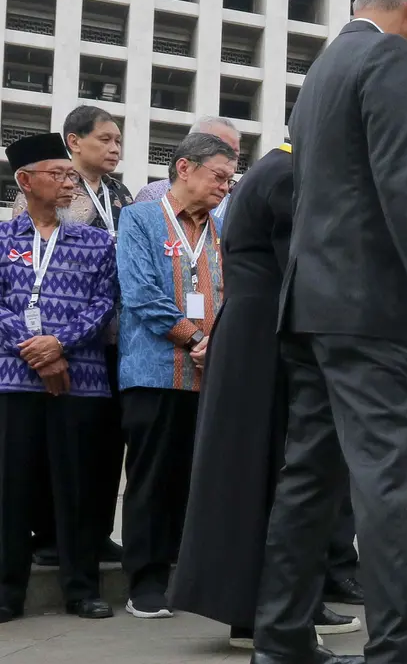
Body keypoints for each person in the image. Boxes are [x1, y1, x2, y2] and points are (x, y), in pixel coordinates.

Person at [253, 0, 407, 664]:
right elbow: (404, 190)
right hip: (369, 308)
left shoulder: (323, 69)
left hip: (310, 304)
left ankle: (280, 645)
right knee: (383, 478)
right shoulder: (390, 60)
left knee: (308, 479)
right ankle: (400, 650)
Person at [168, 141, 361, 649]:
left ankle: (281, 605)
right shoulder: (289, 176)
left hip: (258, 336)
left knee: (268, 471)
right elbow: (311, 270)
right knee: (271, 472)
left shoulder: (275, 171)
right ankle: (265, 612)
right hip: (266, 341)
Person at [0, 133, 118, 623]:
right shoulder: (3, 239)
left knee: (78, 487)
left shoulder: (95, 241)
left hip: (81, 380)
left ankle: (81, 588)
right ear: (26, 181)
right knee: (12, 486)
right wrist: (37, 352)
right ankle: (7, 592)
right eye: (60, 174)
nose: (70, 183)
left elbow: (105, 302)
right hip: (15, 378)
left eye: (72, 175)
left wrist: (60, 345)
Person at [116, 133, 234, 618]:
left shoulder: (224, 232)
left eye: (230, 179)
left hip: (212, 375)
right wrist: (195, 338)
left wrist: (221, 344)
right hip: (155, 371)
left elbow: (235, 294)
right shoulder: (139, 218)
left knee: (197, 478)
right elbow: (140, 292)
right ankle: (144, 581)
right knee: (150, 478)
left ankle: (188, 578)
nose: (225, 187)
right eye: (218, 176)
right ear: (185, 168)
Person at [22, 106, 132, 569]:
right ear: (74, 141)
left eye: (118, 141)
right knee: (57, 446)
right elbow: (34, 274)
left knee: (105, 442)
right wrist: (51, 345)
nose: (114, 148)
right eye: (105, 139)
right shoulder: (52, 194)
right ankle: (48, 533)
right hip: (59, 344)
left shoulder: (120, 193)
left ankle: (97, 531)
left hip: (111, 337)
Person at [134, 116, 242, 206]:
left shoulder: (235, 206)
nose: (229, 158)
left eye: (235, 153)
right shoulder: (153, 195)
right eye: (221, 149)